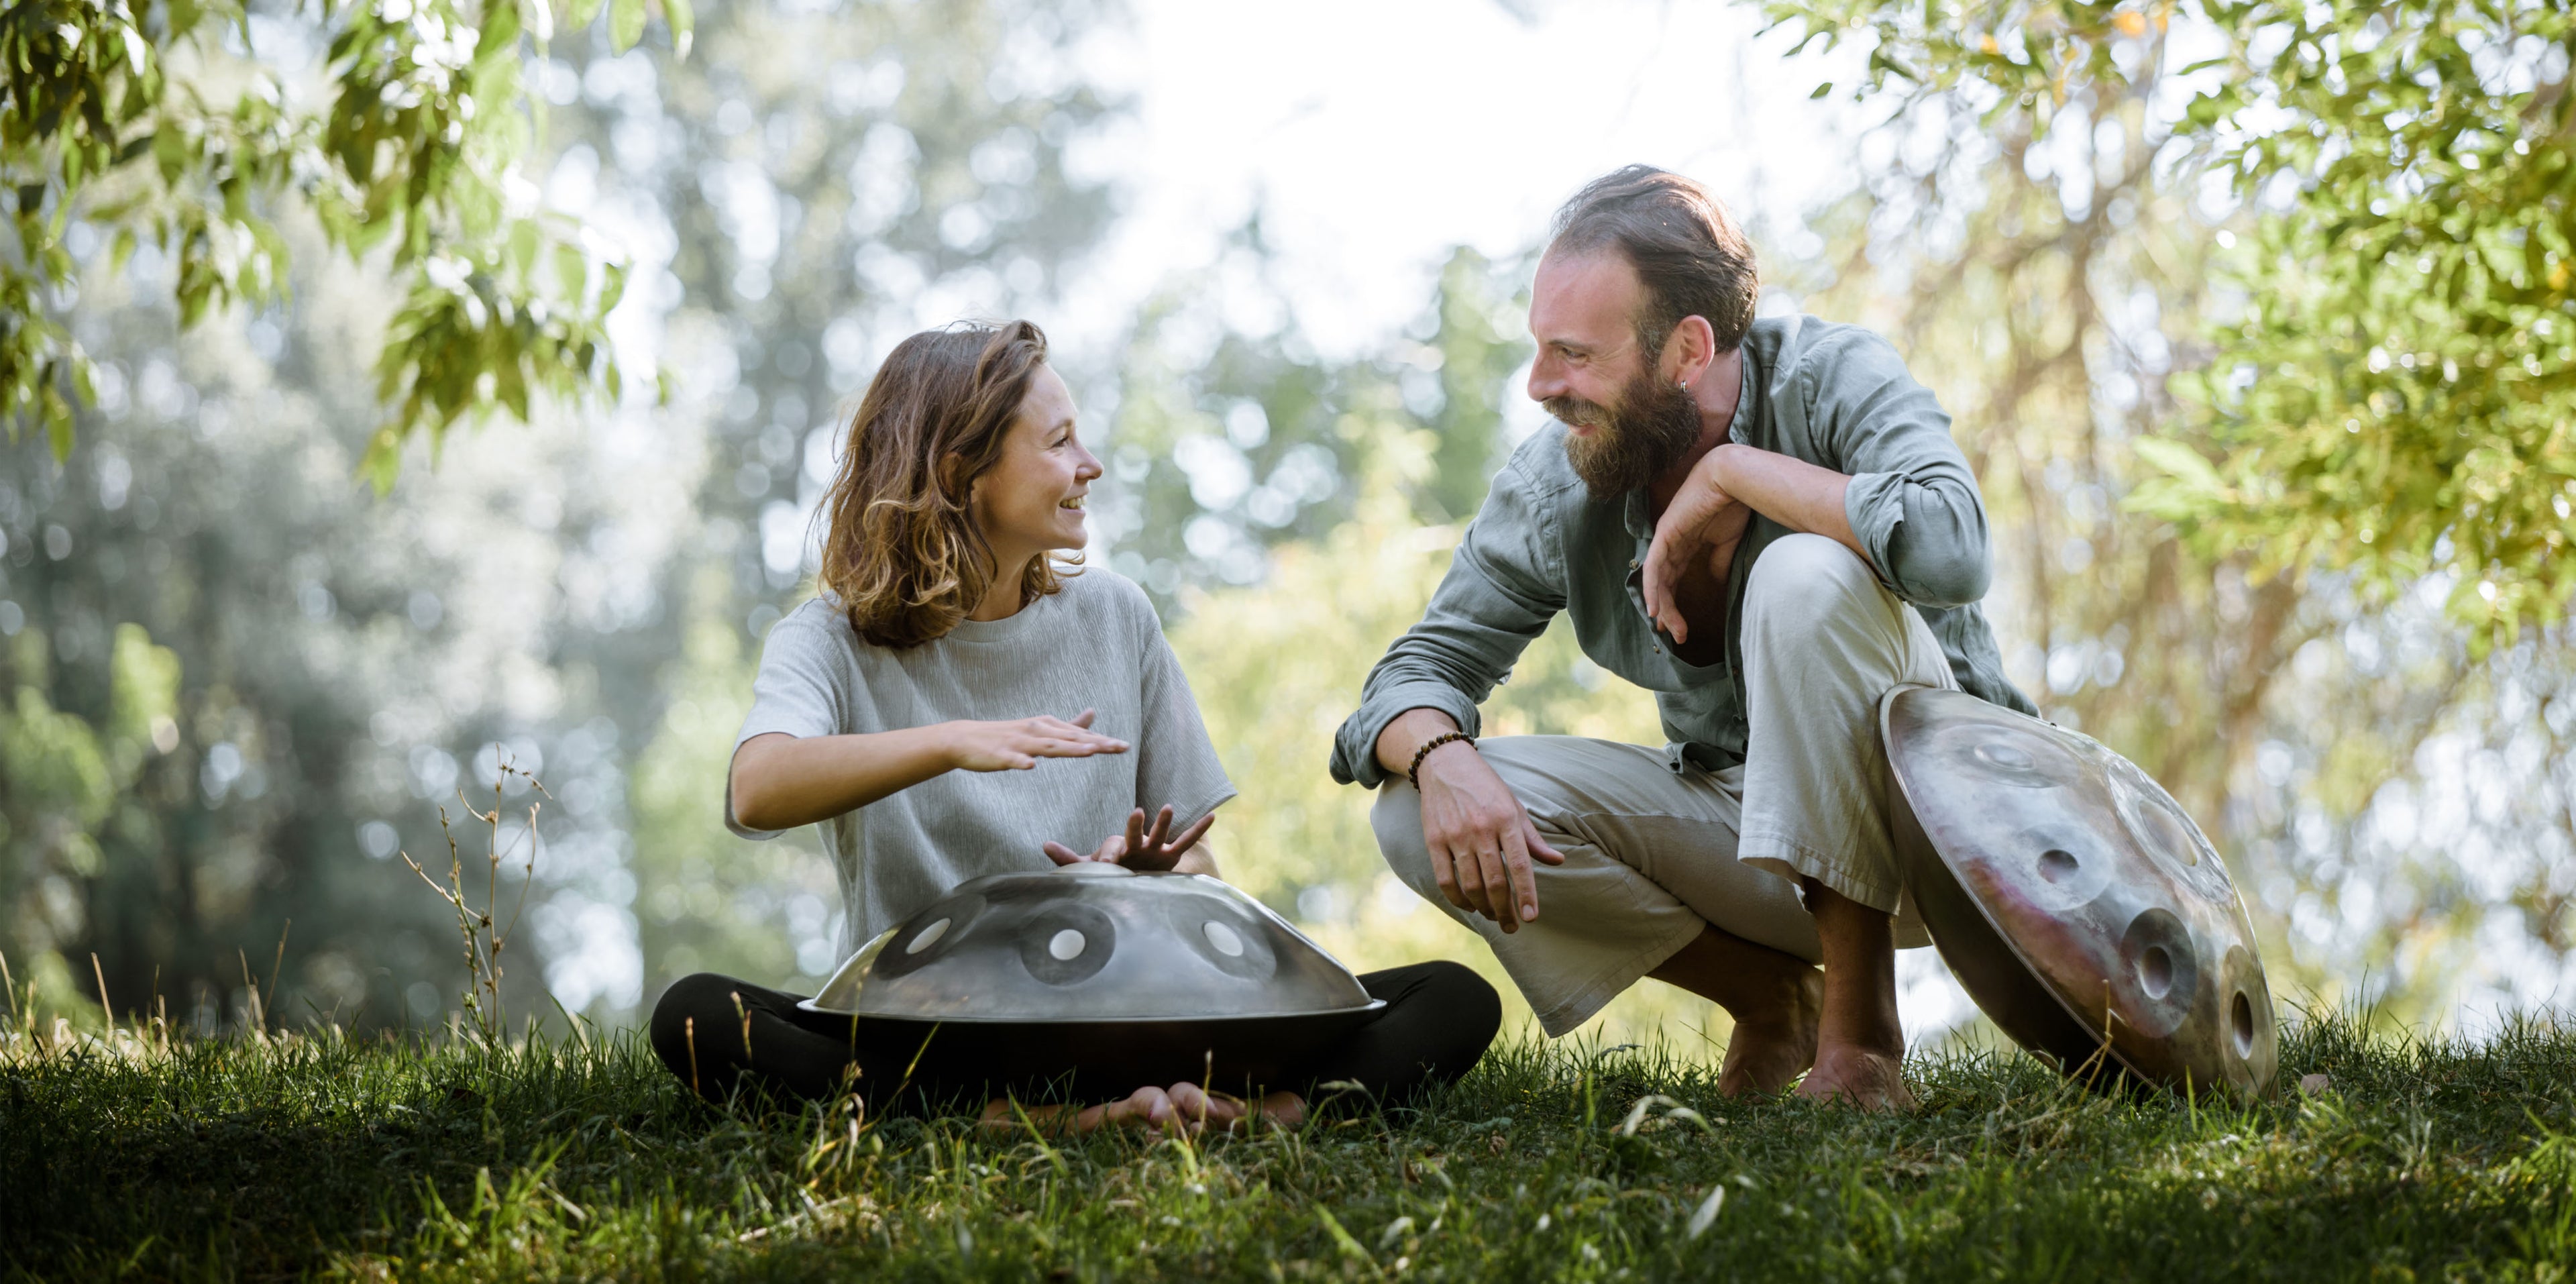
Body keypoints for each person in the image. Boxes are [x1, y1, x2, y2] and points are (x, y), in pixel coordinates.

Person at [651, 319, 1499, 1131]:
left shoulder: (1116, 616)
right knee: (696, 1015)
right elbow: (759, 787)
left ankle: (1263, 1115)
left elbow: (1200, 852)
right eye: (1058, 444)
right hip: (943, 1039)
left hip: (1128, 1017)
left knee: (1452, 998)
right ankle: (1033, 1121)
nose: (1089, 465)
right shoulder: (830, 637)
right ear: (957, 476)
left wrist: (1157, 876)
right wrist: (950, 743)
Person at [1332, 166, 2036, 1111]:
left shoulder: (1832, 377)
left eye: (1574, 354)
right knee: (1412, 806)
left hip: (1947, 825)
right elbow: (1415, 671)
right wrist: (1443, 753)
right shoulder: (1559, 482)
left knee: (1804, 574)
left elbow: (1952, 545)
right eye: (1539, 350)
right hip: (1758, 835)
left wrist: (1740, 473)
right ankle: (1774, 997)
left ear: (1688, 350)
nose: (1541, 386)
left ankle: (1863, 1038)